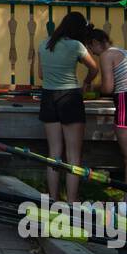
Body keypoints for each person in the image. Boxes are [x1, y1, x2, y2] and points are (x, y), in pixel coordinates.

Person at [82, 25, 127, 214]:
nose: (94, 55)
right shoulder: (124, 52)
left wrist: (91, 90)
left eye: (91, 50)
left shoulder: (107, 55)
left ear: (97, 43)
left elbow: (108, 87)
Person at [37, 11, 98, 203]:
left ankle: (53, 200)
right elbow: (94, 67)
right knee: (73, 155)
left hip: (48, 97)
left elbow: (40, 75)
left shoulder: (44, 44)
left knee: (53, 153)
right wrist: (87, 82)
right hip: (70, 97)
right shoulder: (76, 46)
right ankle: (72, 203)